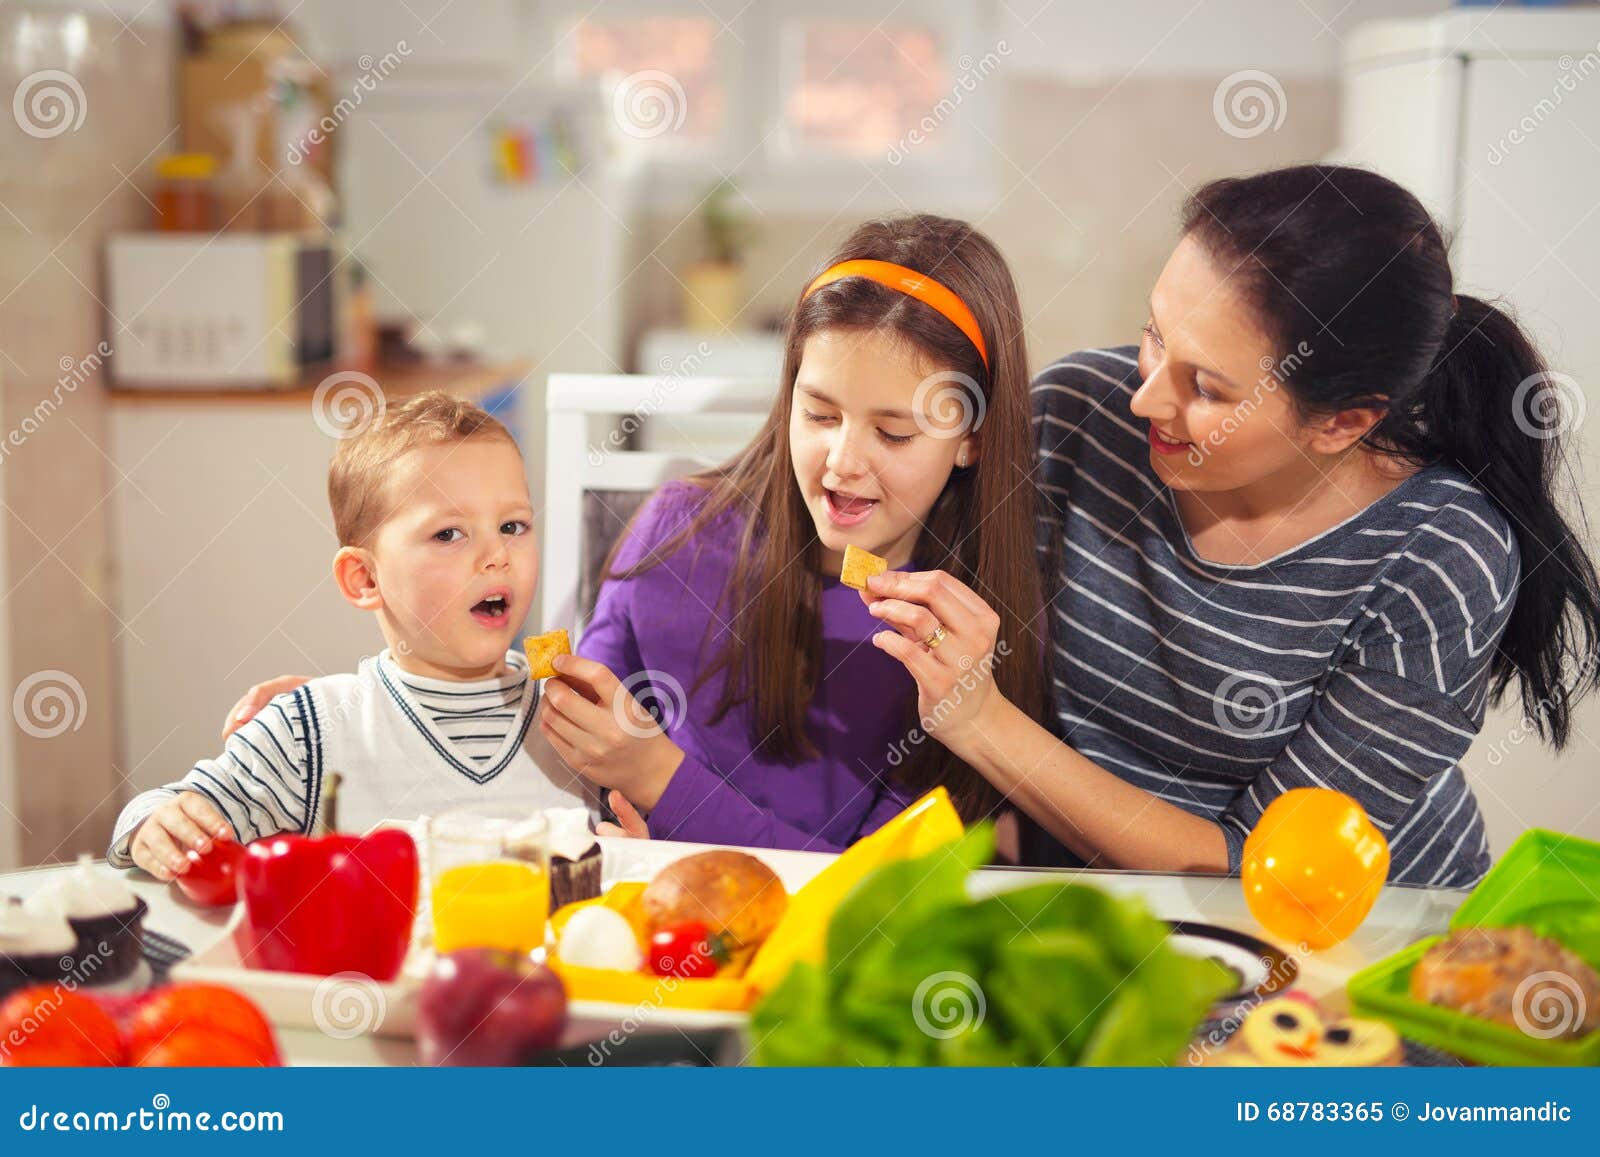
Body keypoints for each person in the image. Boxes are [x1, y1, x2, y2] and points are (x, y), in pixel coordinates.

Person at [864, 165, 1600, 886]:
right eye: (1154, 335)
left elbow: (1262, 863)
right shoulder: (1075, 417)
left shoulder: (1440, 553)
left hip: (1356, 931)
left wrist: (982, 723)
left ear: (1343, 421)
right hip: (1112, 900)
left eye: (1208, 387)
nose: (1144, 399)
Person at [223, 215, 1049, 853]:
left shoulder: (964, 641)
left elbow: (880, 906)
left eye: (895, 434)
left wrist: (662, 777)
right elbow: (562, 721)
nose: (842, 463)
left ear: (971, 435)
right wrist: (369, 707)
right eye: (819, 412)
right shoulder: (680, 533)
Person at [109, 391, 587, 879]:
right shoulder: (310, 730)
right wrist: (155, 823)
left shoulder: (580, 720)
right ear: (365, 579)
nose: (497, 554)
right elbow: (167, 807)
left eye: (513, 525)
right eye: (449, 534)